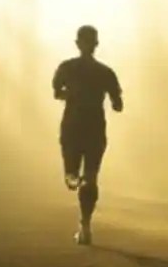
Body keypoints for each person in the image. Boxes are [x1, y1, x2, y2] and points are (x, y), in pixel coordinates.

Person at [52, 25, 123, 246]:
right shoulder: (106, 73)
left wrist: (72, 95)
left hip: (72, 127)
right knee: (91, 176)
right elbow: (118, 105)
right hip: (95, 129)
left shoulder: (66, 68)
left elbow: (56, 92)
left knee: (72, 173)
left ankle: (73, 177)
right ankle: (85, 224)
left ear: (77, 44)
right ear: (96, 45)